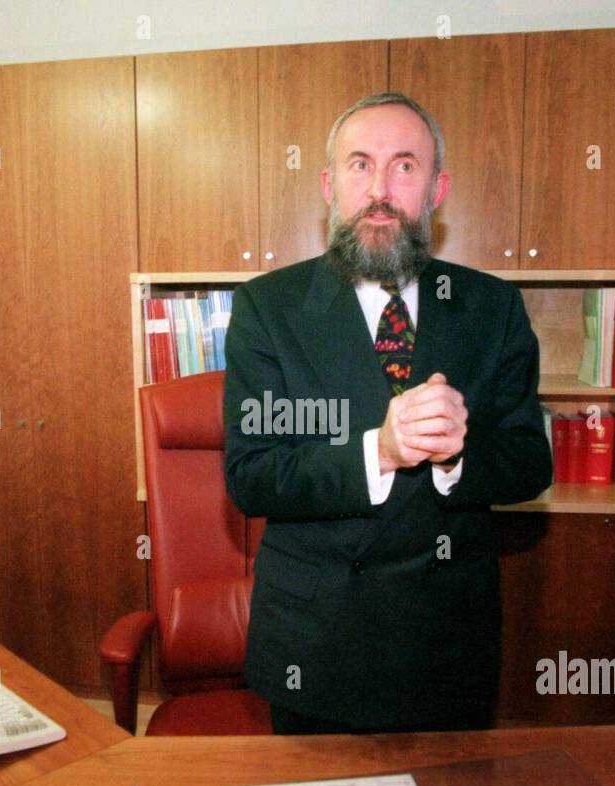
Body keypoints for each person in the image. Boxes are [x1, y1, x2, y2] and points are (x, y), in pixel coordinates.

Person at [222, 91, 553, 735]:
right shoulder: (268, 307)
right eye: (359, 165)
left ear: (436, 190)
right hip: (316, 646)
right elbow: (253, 476)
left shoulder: (493, 308)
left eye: (405, 167)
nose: (380, 188)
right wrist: (380, 449)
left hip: (446, 646)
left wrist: (462, 452)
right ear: (329, 186)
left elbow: (530, 462)